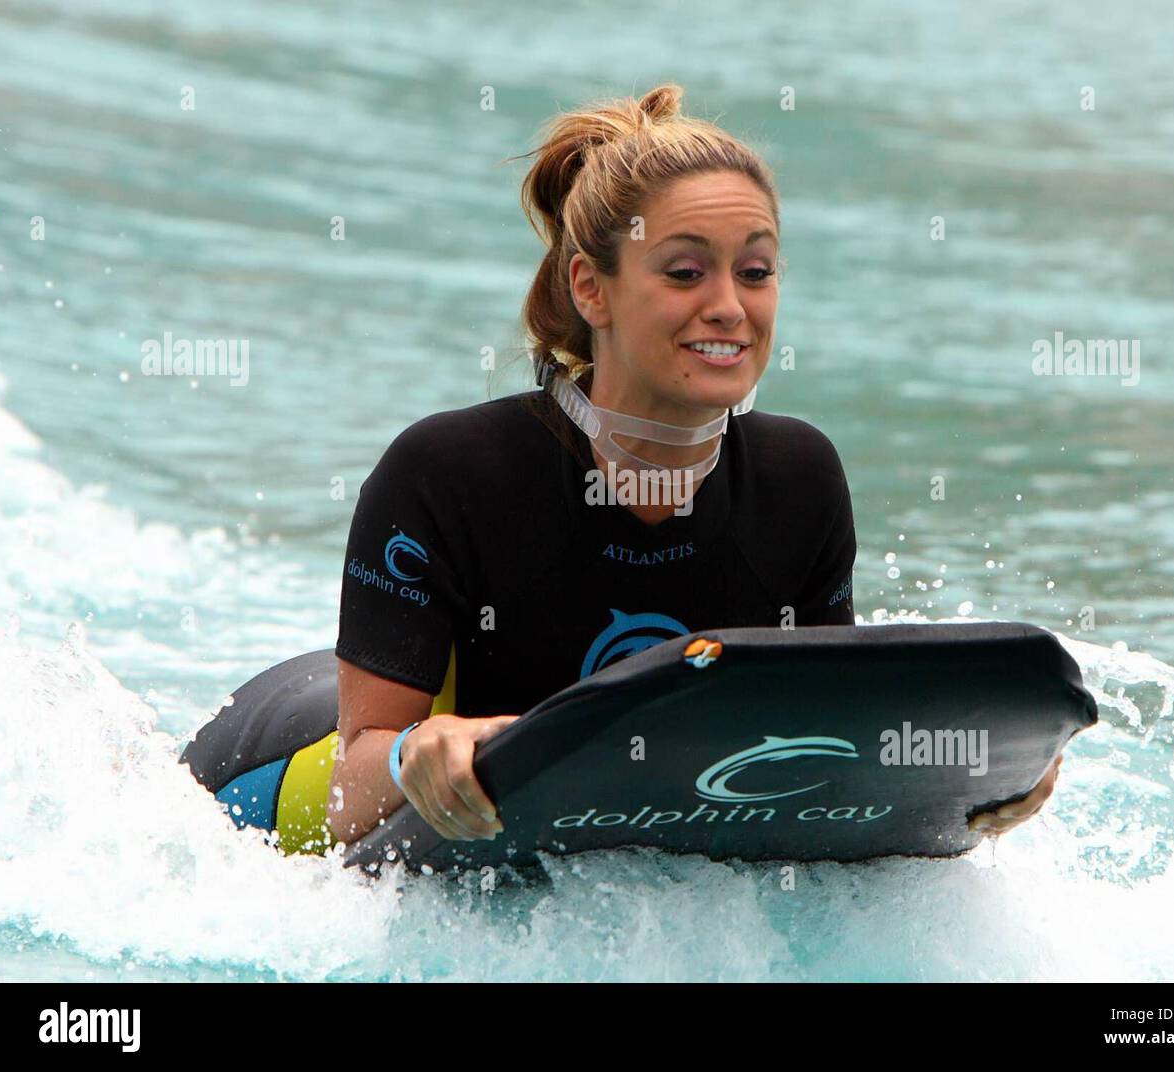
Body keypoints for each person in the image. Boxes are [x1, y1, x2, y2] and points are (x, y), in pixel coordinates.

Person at [326, 84, 1060, 849]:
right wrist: (421, 749)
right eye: (685, 273)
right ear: (590, 287)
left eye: (755, 272)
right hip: (287, 764)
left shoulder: (797, 479)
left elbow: (822, 750)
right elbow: (347, 796)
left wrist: (971, 776)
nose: (729, 308)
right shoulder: (452, 470)